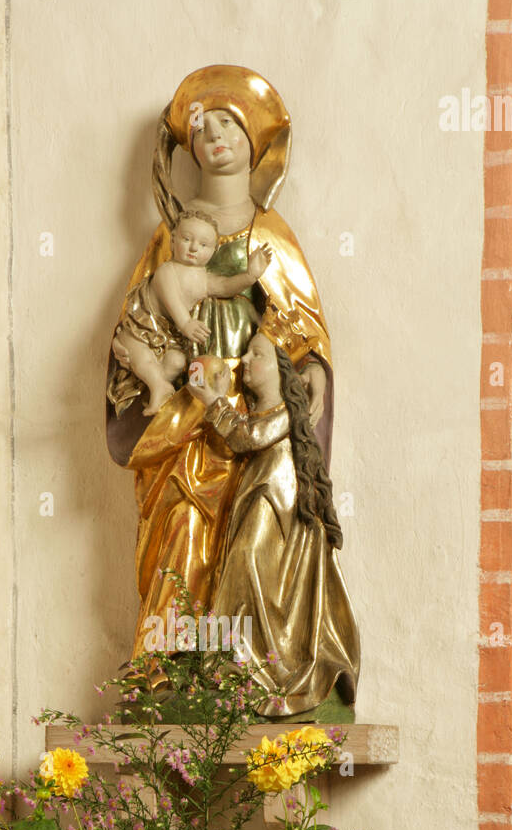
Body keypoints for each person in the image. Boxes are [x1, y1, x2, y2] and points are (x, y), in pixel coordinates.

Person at [105, 66, 359, 712]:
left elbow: (307, 338)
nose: (214, 135)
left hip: (248, 414)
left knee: (251, 543)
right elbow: (136, 320)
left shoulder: (271, 236)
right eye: (200, 127)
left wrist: (304, 379)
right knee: (182, 526)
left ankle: (246, 668)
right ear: (186, 149)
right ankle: (165, 674)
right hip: (186, 415)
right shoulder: (166, 242)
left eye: (228, 124)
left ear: (255, 143)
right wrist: (152, 368)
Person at [189, 330, 359, 715]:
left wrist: (214, 402)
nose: (245, 360)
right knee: (243, 565)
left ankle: (263, 665)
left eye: (257, 353)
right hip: (262, 499)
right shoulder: (267, 414)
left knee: (248, 559)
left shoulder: (285, 414)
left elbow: (247, 437)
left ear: (285, 374)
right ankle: (241, 663)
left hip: (278, 506)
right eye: (246, 353)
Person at [109, 208, 271, 417]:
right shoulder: (167, 270)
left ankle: (161, 389)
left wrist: (249, 276)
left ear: (214, 250)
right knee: (139, 356)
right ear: (173, 240)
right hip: (142, 328)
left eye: (203, 244)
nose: (194, 247)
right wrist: (185, 323)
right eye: (187, 239)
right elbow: (171, 299)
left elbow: (225, 286)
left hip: (168, 337)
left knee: (177, 362)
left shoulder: (202, 278)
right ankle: (158, 385)